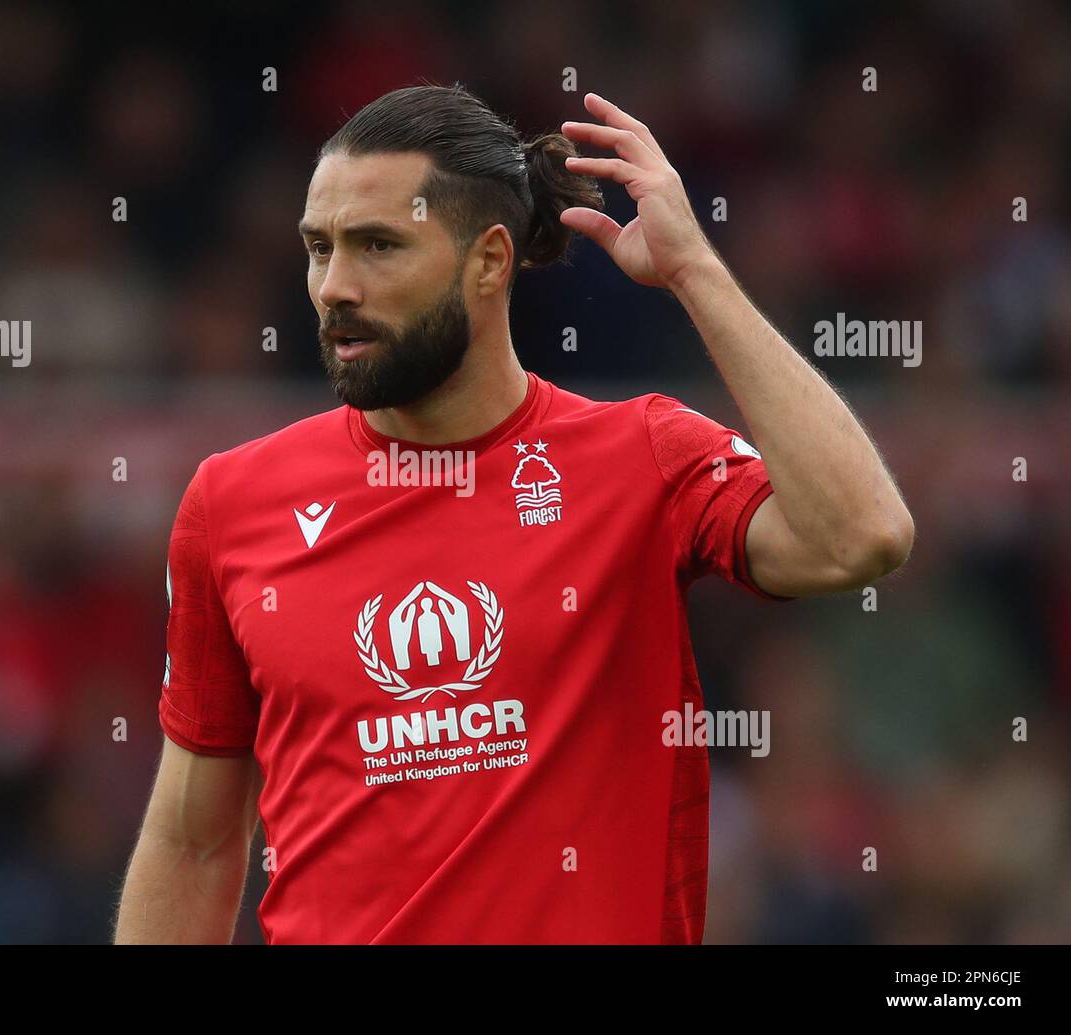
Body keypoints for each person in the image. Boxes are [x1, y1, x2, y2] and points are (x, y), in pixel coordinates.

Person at [114, 82, 914, 945]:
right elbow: (193, 841)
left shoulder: (642, 455)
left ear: (489, 261)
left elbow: (859, 537)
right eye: (319, 248)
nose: (334, 286)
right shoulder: (233, 502)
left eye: (378, 245)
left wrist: (695, 272)